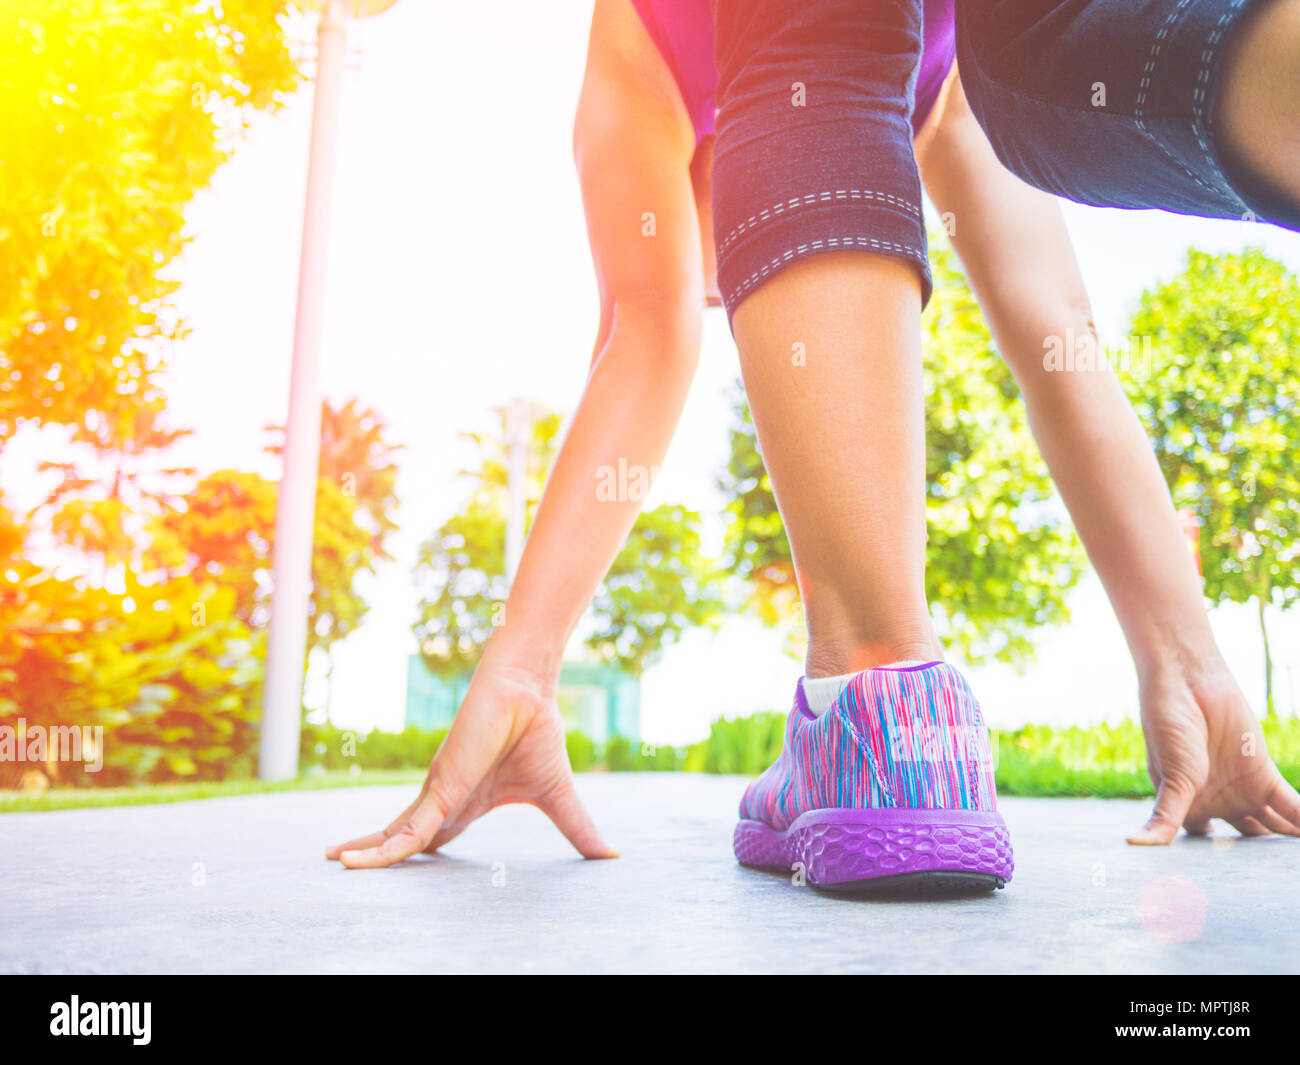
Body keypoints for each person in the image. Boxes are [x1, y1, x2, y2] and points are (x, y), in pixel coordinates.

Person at [326, 0, 1300, 885]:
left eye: (721, 276)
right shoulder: (957, 84)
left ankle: (875, 706)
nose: (723, 292)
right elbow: (1060, 338)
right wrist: (1190, 670)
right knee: (1053, 65)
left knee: (824, 40)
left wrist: (521, 670)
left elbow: (645, 334)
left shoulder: (638, 53)